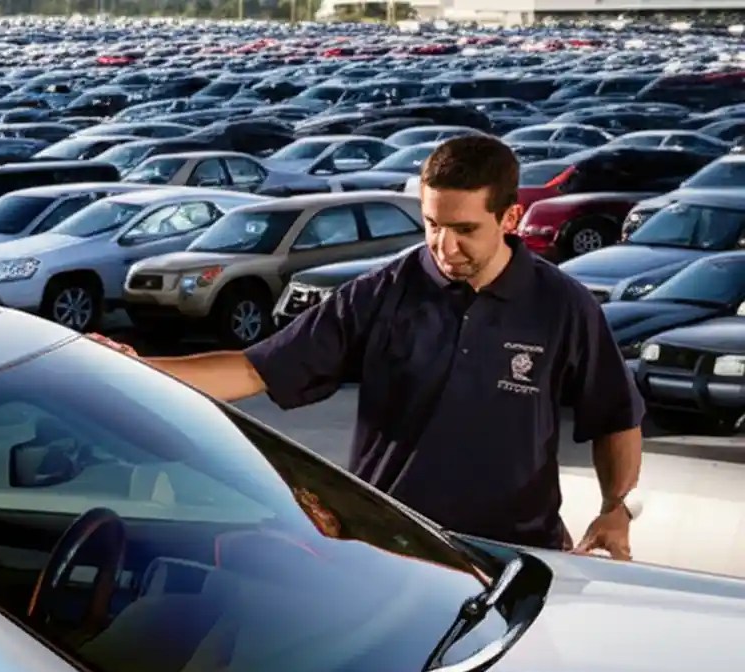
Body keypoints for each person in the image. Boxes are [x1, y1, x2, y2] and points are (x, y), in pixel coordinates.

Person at [93, 135, 644, 559]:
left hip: (517, 555)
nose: (443, 245)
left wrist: (614, 508)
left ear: (510, 217)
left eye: (464, 229)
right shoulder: (381, 293)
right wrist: (135, 370)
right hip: (390, 550)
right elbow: (252, 370)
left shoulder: (563, 306)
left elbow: (616, 418)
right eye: (430, 224)